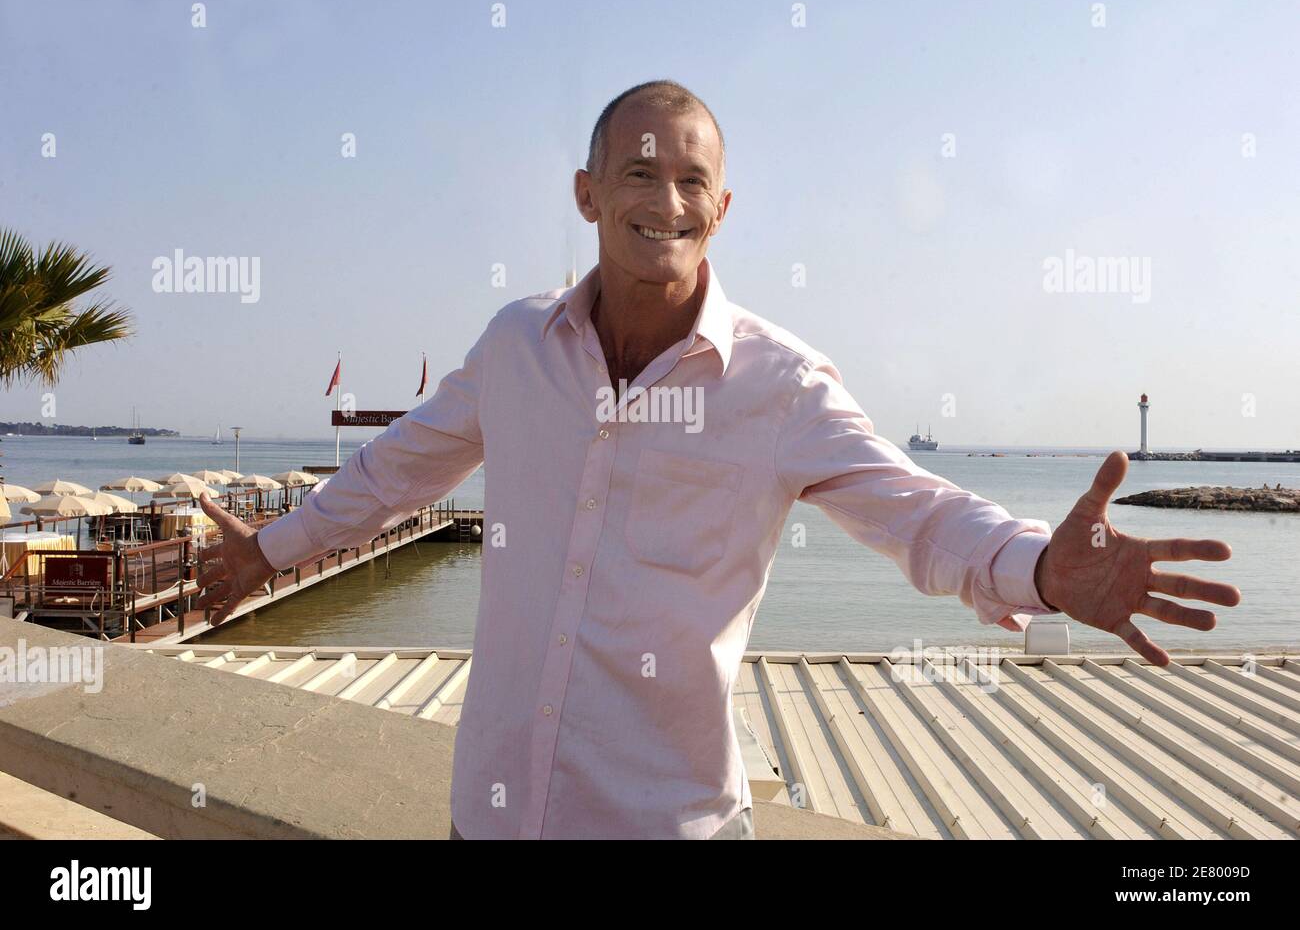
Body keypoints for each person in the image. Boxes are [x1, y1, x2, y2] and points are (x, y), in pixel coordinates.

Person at [195, 80, 1240, 840]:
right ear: (587, 192)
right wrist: (271, 551)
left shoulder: (777, 385)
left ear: (723, 207)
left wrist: (1040, 569)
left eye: (694, 177)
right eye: (639, 171)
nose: (668, 198)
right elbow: (397, 467)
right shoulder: (516, 346)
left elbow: (911, 510)